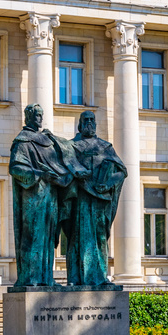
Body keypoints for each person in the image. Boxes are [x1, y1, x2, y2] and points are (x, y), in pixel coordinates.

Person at [8, 104, 74, 288]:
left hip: (50, 196)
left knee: (48, 237)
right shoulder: (23, 141)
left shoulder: (47, 140)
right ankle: (31, 278)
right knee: (33, 236)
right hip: (33, 197)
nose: (39, 118)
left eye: (41, 115)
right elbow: (16, 168)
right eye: (36, 115)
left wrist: (59, 178)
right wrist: (40, 174)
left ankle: (46, 277)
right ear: (28, 117)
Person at [60, 111, 126, 286]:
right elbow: (64, 170)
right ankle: (75, 278)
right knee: (77, 236)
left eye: (92, 120)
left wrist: (108, 183)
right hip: (79, 198)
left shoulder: (105, 147)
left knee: (99, 238)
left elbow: (122, 171)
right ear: (80, 125)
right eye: (85, 120)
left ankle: (101, 277)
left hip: (100, 200)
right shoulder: (71, 146)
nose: (89, 123)